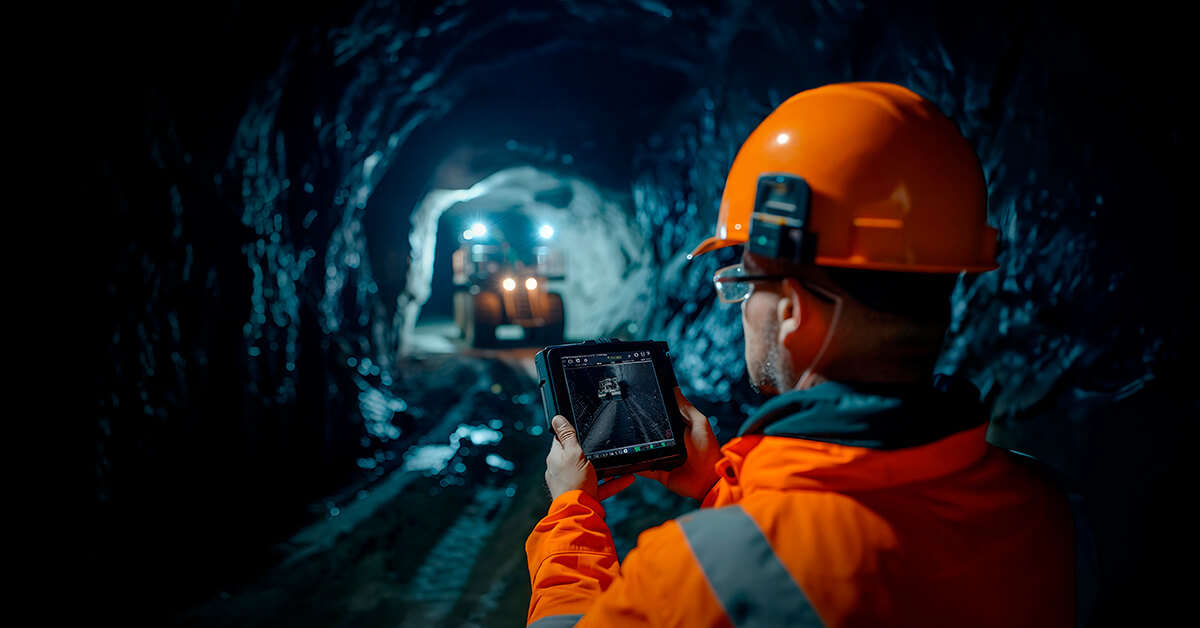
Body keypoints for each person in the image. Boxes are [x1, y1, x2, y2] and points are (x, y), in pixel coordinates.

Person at [526, 82, 1078, 627]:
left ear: (790, 308)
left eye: (742, 283)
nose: (739, 306)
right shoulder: (1048, 505)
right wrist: (714, 486)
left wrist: (572, 512)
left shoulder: (698, 577)